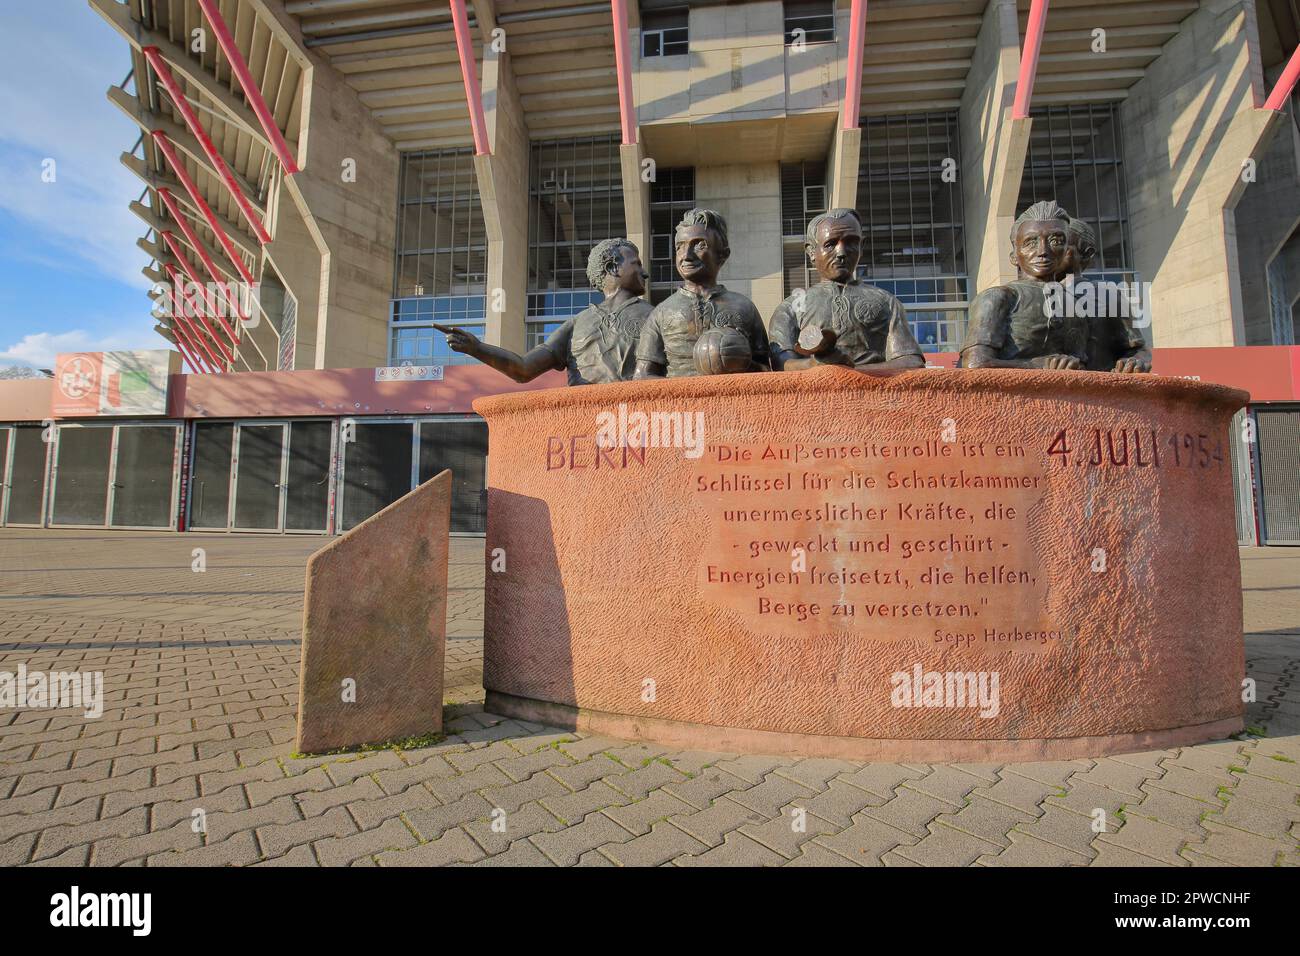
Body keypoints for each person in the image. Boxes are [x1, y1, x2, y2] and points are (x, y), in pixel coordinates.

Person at [437, 238, 652, 385]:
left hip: (639, 426)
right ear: (613, 268)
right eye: (636, 264)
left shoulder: (657, 316)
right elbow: (524, 369)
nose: (645, 272)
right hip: (586, 429)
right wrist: (477, 348)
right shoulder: (577, 324)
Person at [768, 208, 924, 372]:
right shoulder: (791, 307)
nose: (841, 252)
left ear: (861, 246)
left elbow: (911, 361)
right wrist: (815, 365)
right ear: (812, 251)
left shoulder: (887, 302)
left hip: (872, 394)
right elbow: (781, 364)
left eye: (851, 242)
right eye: (830, 244)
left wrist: (851, 372)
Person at [633, 208, 771, 378]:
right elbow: (642, 376)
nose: (686, 255)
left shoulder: (744, 307)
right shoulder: (661, 312)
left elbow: (768, 370)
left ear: (722, 254)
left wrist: (739, 362)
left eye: (699, 244)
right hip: (681, 403)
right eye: (680, 246)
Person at [960, 199, 1089, 370]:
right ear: (1014, 255)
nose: (1043, 251)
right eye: (1030, 242)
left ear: (1067, 250)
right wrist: (1035, 365)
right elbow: (974, 363)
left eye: (1056, 241)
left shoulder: (1075, 303)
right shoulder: (998, 297)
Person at [1066, 216, 1152, 374]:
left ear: (1086, 253)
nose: (1049, 250)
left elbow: (1137, 349)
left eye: (1062, 243)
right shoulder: (1031, 295)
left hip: (1094, 389)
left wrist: (1135, 361)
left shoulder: (1107, 294)